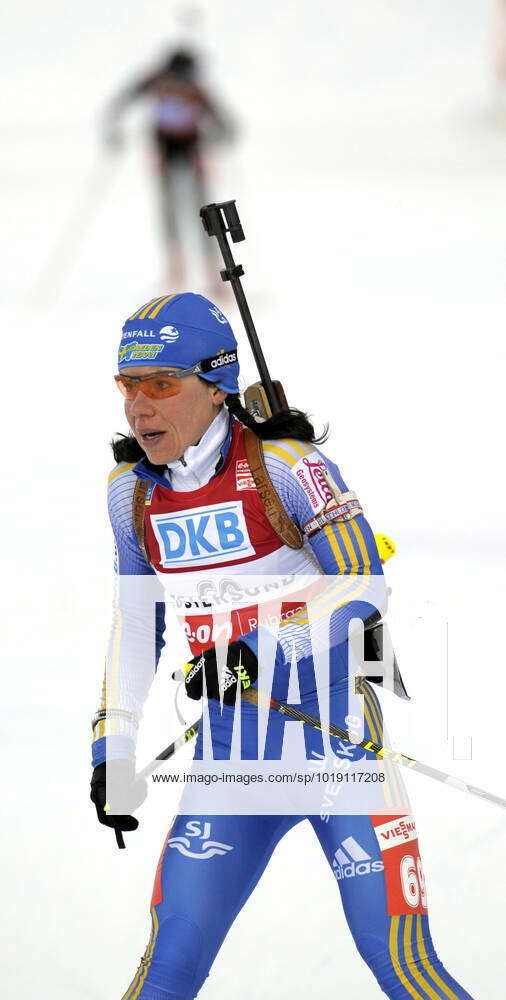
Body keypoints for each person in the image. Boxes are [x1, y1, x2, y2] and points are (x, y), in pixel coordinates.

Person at [90, 291, 475, 999]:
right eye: (128, 386)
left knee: (403, 966)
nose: (139, 407)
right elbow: (137, 625)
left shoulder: (288, 467)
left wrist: (261, 647)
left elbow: (363, 587)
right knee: (165, 973)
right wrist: (111, 748)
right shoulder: (132, 496)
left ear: (217, 385)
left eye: (163, 384)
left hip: (337, 746)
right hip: (232, 762)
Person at [103, 51, 234, 287]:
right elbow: (118, 105)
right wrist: (114, 132)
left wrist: (217, 139)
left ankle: (214, 272)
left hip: (193, 151)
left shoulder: (197, 88)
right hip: (165, 151)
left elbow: (225, 123)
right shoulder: (154, 80)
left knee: (205, 211)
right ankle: (176, 270)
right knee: (169, 211)